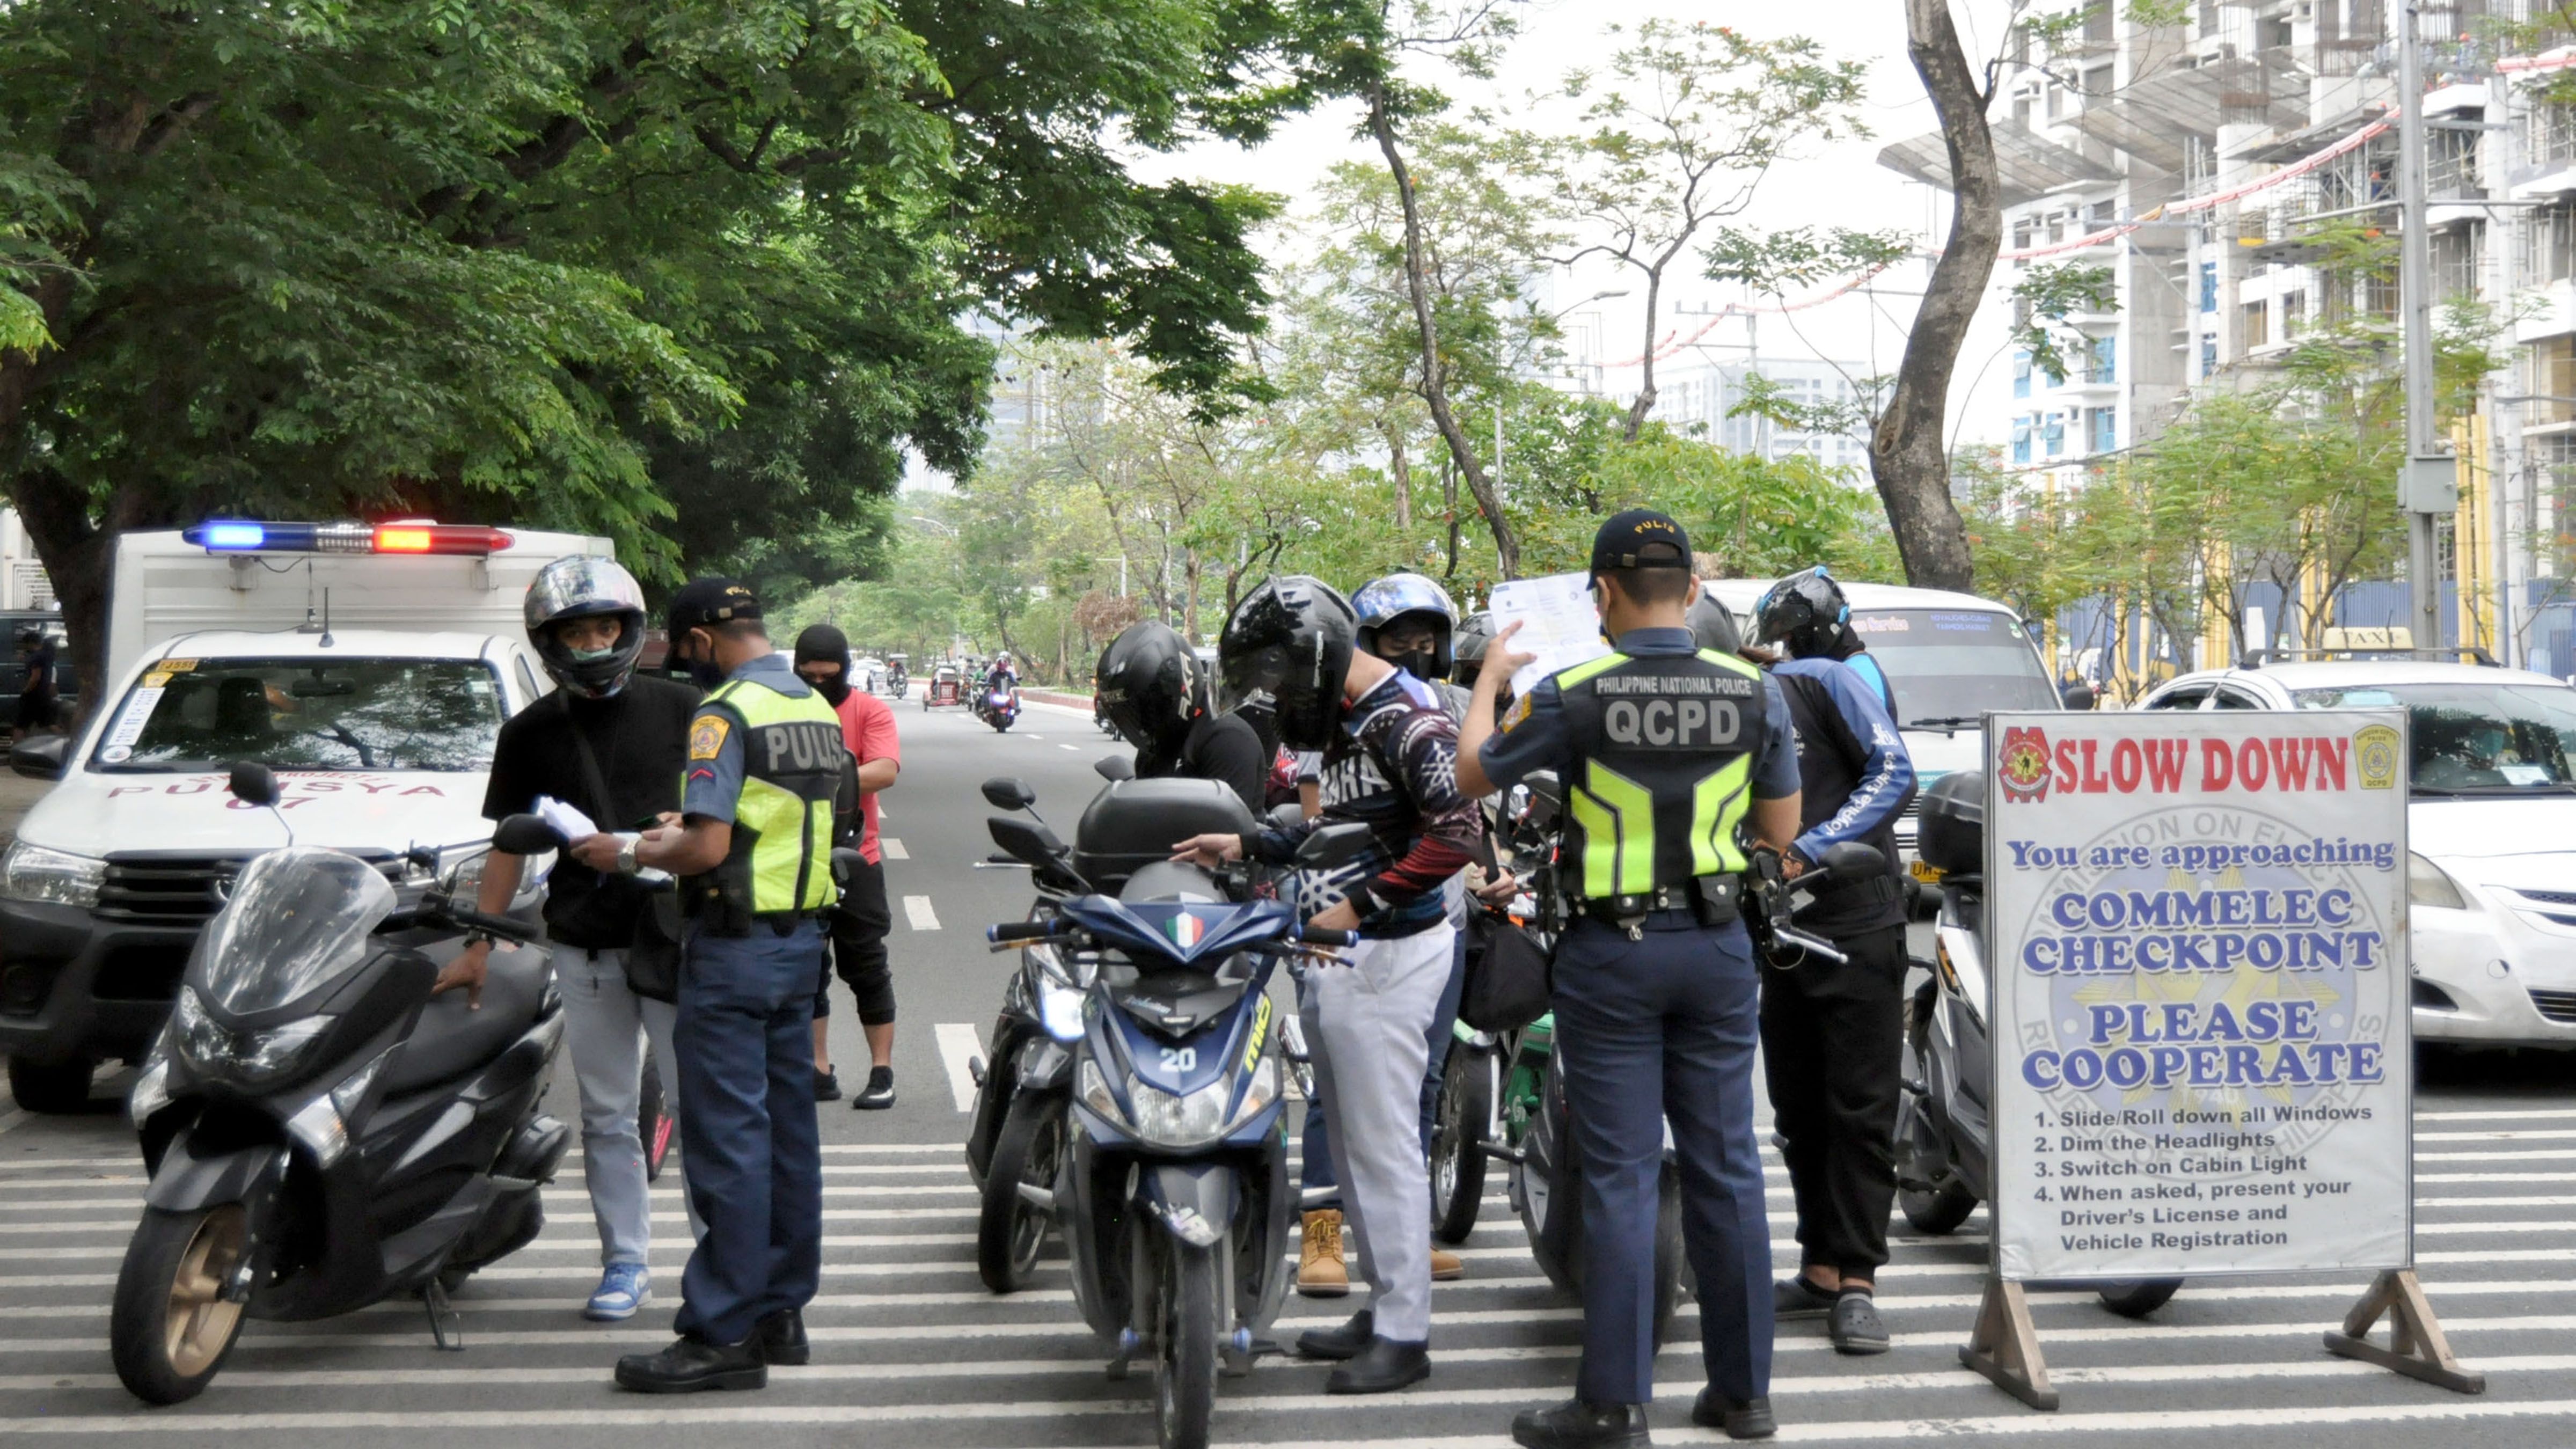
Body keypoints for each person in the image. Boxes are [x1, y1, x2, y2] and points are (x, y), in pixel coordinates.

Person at [1460, 511, 1805, 1447]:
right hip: (1720, 948)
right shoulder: (1756, 692)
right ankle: (1744, 1396)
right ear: (1691, 590)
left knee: (1618, 1175)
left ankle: (1613, 1403)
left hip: (1613, 955)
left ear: (1603, 593)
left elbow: (1471, 777)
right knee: (1728, 1168)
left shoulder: (1573, 691)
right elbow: (1781, 835)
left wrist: (1491, 679)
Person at [1171, 576, 1481, 1396]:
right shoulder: (1349, 725)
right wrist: (1248, 848)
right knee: (1351, 1146)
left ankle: (1406, 1333)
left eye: (1276, 679)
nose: (1274, 699)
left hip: (1388, 956)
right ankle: (1382, 1310)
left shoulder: (1405, 720)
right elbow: (1344, 827)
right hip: (1345, 959)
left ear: (1313, 659)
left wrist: (1359, 905)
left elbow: (1459, 833)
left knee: (1383, 1152)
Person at [436, 557, 705, 1323]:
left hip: (674, 940)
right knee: (608, 1114)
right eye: (576, 630)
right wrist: (480, 943)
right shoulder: (529, 732)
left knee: (696, 1112)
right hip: (584, 946)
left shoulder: (690, 710)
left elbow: (723, 818)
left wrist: (666, 837)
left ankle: (717, 1258)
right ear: (549, 640)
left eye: (605, 627)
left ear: (631, 630)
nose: (592, 642)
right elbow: (510, 844)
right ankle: (625, 1264)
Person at [612, 579, 846, 1394]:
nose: (687, 667)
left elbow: (709, 849)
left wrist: (639, 852)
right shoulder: (814, 708)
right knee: (788, 1139)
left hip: (734, 949)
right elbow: (780, 821)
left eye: (685, 652)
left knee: (728, 1147)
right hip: (801, 946)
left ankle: (723, 1332)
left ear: (703, 643)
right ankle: (782, 1312)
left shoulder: (726, 713)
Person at [1746, 579, 1919, 1357]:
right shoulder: (1737, 699)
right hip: (1778, 931)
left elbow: (1893, 774)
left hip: (1857, 918)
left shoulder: (1830, 681)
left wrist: (1806, 852)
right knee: (1797, 1109)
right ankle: (1819, 1267)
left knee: (1859, 1109)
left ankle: (1858, 1281)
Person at [793, 624, 903, 1110]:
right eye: (808, 674)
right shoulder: (786, 710)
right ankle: (819, 1068)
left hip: (859, 859)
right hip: (795, 860)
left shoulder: (868, 710)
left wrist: (824, 778)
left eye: (829, 674)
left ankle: (882, 1071)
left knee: (866, 967)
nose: (818, 683)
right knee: (807, 969)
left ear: (845, 670)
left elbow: (885, 770)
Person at [1095, 620, 1267, 813]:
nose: (1141, 718)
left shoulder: (1227, 740)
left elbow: (1226, 827)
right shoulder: (1158, 742)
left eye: (1146, 706)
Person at [1748, 567, 1893, 715]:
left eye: (1786, 635)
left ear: (1814, 630)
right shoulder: (1834, 673)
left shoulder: (1856, 677)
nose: (1786, 645)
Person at [13, 629, 57, 741]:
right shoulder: (45, 655)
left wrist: (26, 691)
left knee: (20, 726)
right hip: (43, 695)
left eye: (24, 645)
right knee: (49, 723)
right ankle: (68, 741)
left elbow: (35, 678)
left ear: (30, 643)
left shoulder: (36, 658)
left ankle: (16, 753)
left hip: (32, 696)